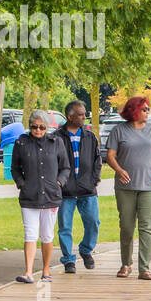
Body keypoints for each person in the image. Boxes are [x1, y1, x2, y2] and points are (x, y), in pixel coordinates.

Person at [105, 96, 151, 281]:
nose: (148, 112)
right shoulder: (119, 131)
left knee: (147, 227)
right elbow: (110, 155)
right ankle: (126, 263)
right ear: (134, 110)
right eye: (145, 109)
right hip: (125, 187)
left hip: (149, 186)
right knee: (126, 226)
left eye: (149, 109)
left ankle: (144, 267)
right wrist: (118, 169)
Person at [11, 110, 69, 284]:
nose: (37, 130)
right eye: (34, 127)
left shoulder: (56, 142)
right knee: (30, 233)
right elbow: (14, 168)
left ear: (47, 127)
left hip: (51, 195)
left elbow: (65, 167)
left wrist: (59, 182)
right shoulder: (21, 142)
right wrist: (22, 183)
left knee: (47, 234)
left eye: (42, 127)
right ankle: (28, 272)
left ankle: (46, 270)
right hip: (30, 196)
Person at [58, 100, 103, 274]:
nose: (84, 117)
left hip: (87, 190)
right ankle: (68, 260)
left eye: (84, 113)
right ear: (70, 116)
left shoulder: (89, 136)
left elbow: (97, 161)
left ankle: (86, 250)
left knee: (93, 223)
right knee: (65, 227)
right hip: (65, 192)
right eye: (81, 114)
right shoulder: (57, 137)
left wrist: (94, 180)